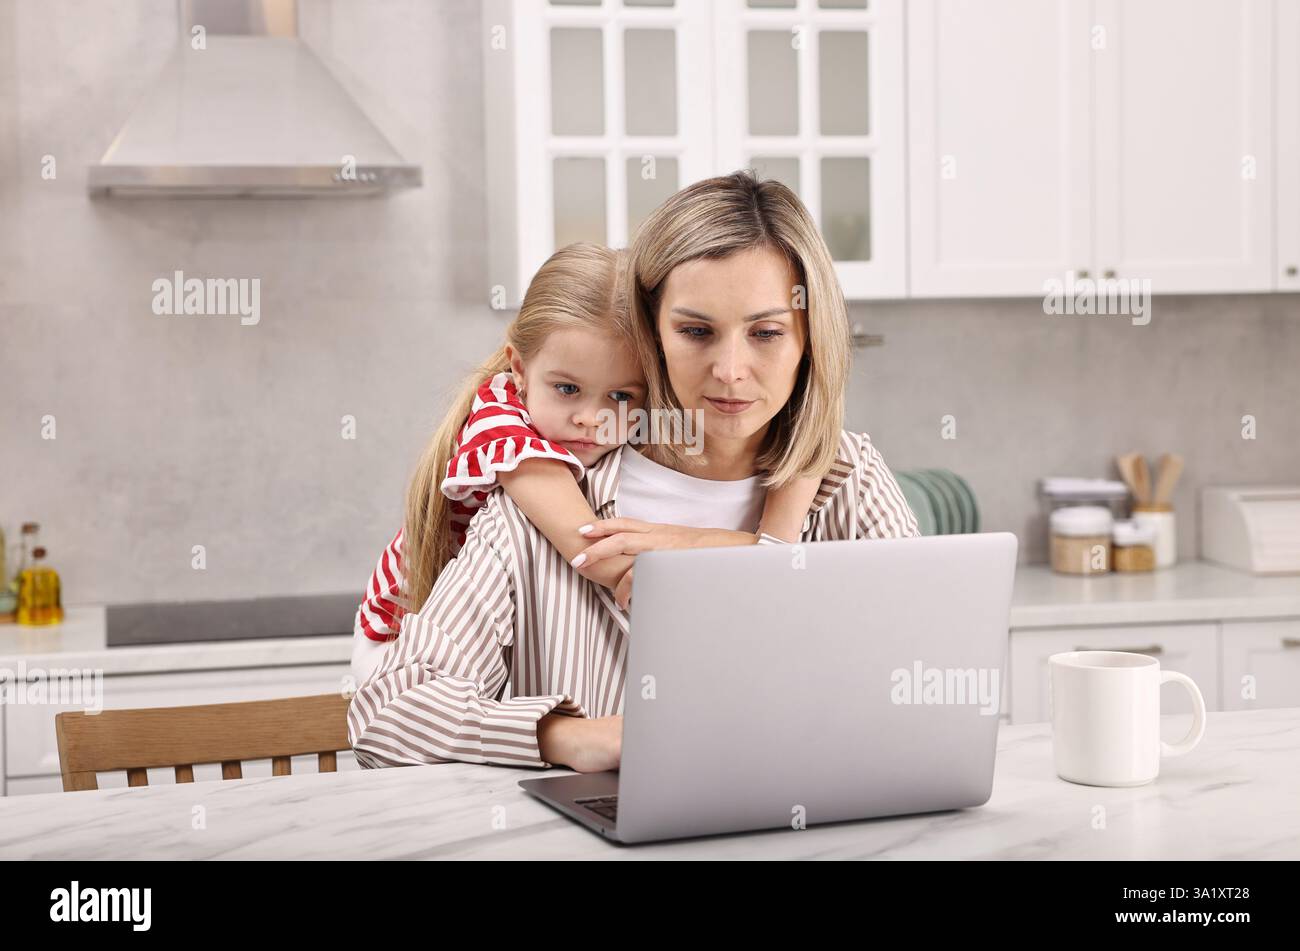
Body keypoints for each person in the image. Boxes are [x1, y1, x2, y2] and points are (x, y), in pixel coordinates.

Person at [348, 170, 919, 774]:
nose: (730, 369)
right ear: (652, 332)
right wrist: (570, 738)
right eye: (696, 331)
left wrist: (720, 554)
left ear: (810, 338)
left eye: (767, 332)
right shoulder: (550, 489)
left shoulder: (848, 479)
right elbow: (386, 717)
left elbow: (927, 675)